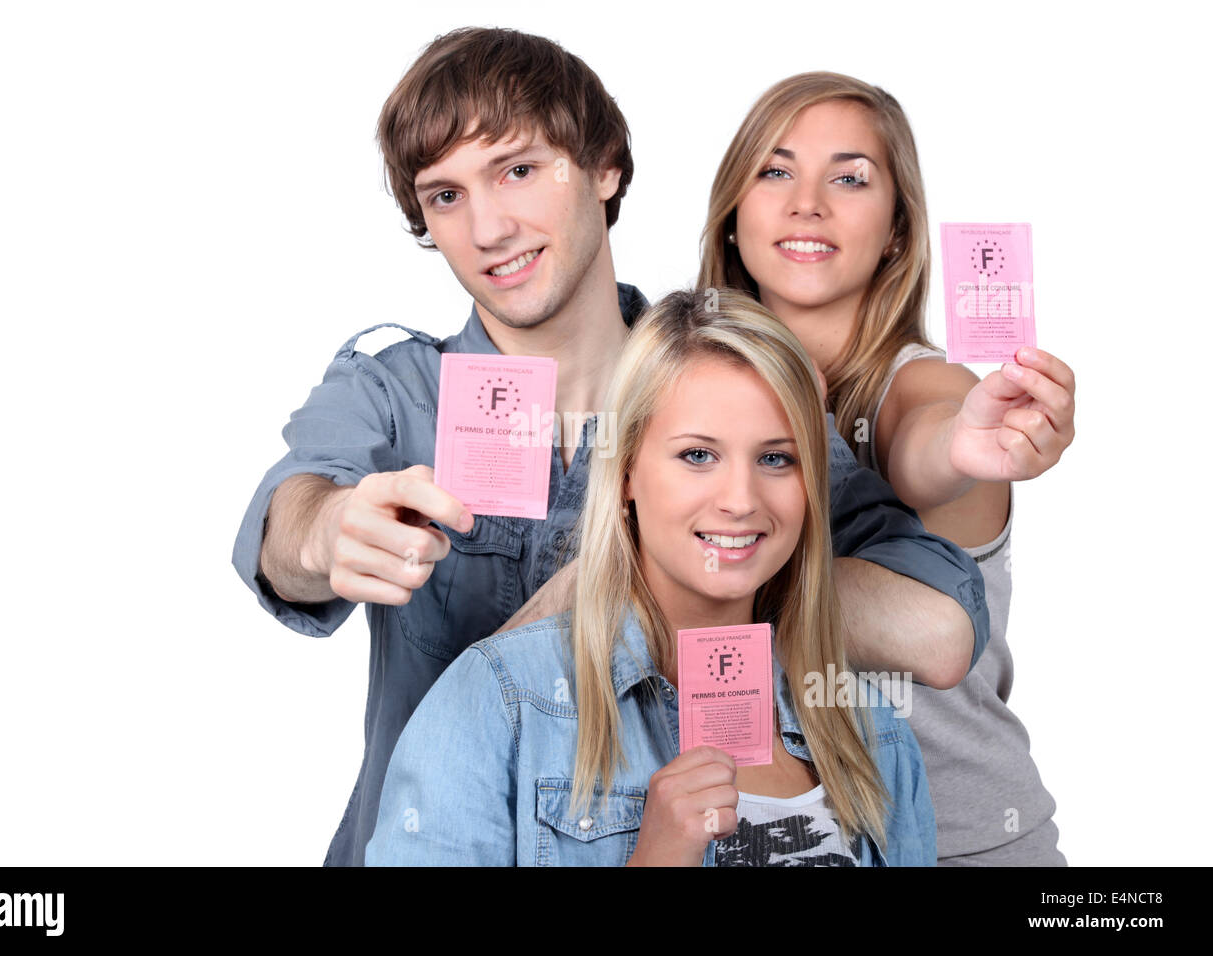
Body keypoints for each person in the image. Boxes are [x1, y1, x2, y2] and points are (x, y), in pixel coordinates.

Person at [231, 29, 986, 868]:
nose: (487, 227)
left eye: (517, 170)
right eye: (444, 197)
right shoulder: (394, 388)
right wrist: (329, 528)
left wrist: (678, 556)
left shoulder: (712, 378)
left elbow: (941, 630)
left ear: (604, 168)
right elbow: (284, 527)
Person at [366, 289, 934, 866]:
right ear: (628, 469)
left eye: (775, 459)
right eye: (697, 455)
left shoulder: (870, 729)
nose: (740, 501)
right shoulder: (497, 703)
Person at [696, 72, 1076, 864]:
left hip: (958, 842)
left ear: (898, 231)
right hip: (783, 837)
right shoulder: (688, 386)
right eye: (775, 170)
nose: (808, 202)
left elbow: (924, 448)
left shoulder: (923, 390)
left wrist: (965, 443)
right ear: (733, 216)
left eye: (849, 177)